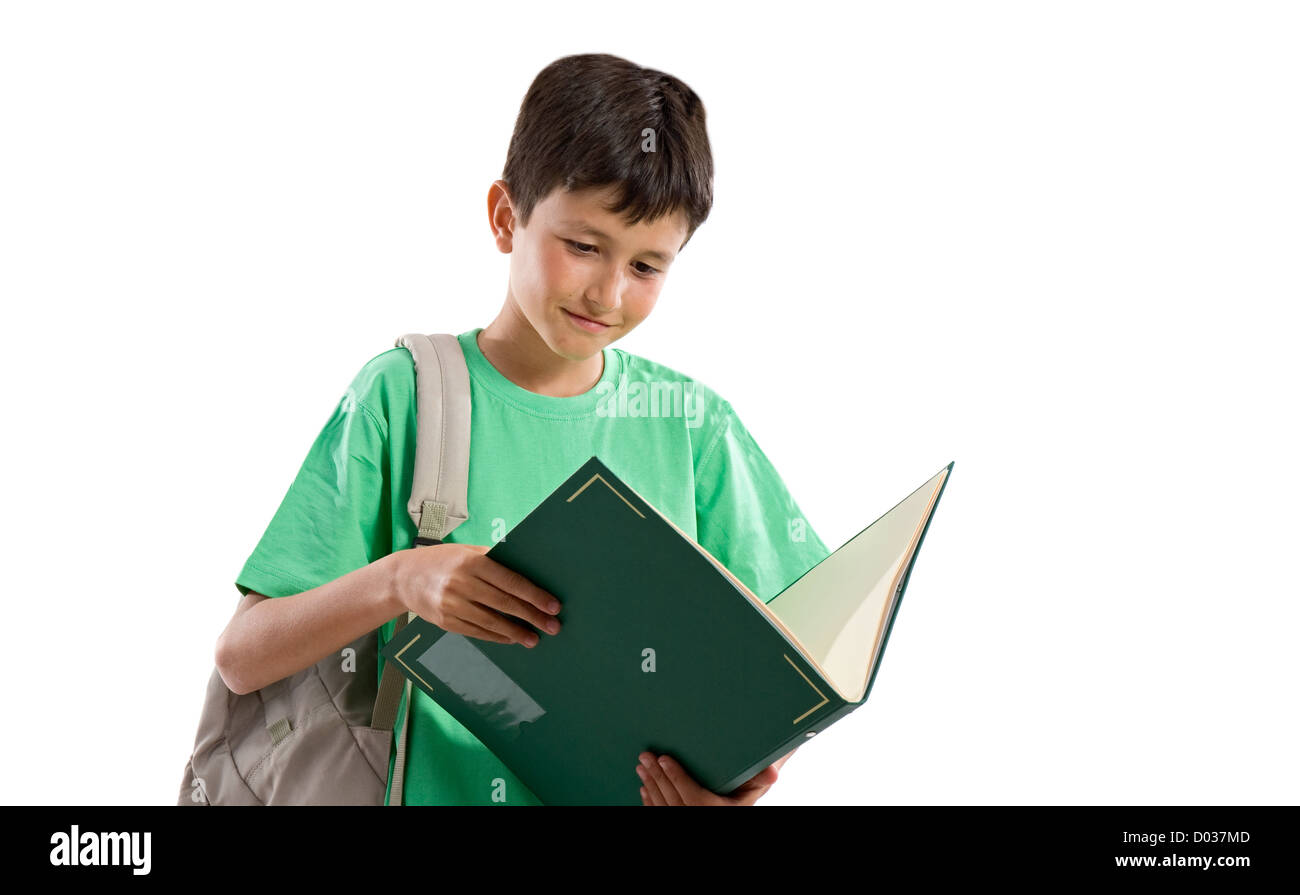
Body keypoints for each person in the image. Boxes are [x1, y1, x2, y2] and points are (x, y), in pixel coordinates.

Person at [215, 53, 831, 806]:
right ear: (506, 217)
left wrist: (733, 787)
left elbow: (800, 666)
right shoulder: (406, 396)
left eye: (647, 266)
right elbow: (242, 658)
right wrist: (401, 579)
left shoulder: (694, 428)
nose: (607, 293)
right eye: (583, 246)